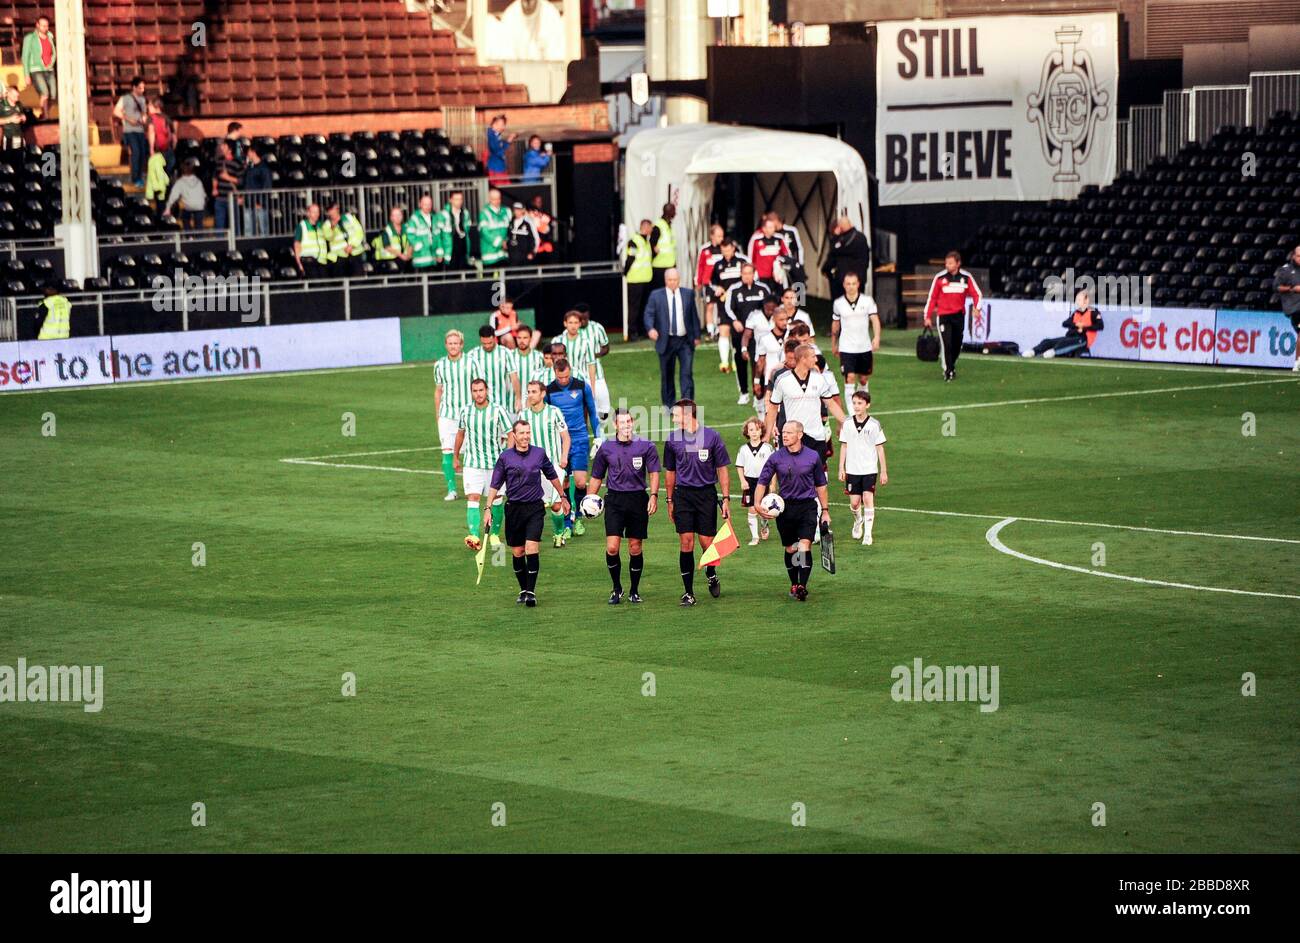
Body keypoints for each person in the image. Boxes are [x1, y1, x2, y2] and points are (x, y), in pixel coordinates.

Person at [482, 420, 569, 608]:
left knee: (531, 548)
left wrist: (562, 496)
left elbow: (552, 475)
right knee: (518, 551)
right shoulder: (505, 457)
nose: (525, 436)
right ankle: (523, 589)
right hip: (514, 509)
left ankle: (531, 592)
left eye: (528, 432)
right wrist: (487, 508)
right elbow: (495, 485)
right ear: (514, 435)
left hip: (534, 509)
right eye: (521, 433)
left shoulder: (539, 453)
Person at [662, 400, 731, 606]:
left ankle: (711, 572)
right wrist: (669, 499)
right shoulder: (673, 439)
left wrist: (726, 499)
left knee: (706, 543)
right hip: (683, 495)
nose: (673, 418)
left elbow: (722, 469)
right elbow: (670, 472)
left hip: (706, 495)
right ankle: (688, 592)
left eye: (675, 415)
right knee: (686, 542)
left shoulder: (712, 437)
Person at [753, 421, 832, 602]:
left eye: (788, 432)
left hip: (807, 508)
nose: (784, 435)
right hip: (785, 509)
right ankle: (794, 582)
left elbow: (821, 485)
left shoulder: (813, 456)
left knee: (804, 546)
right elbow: (762, 481)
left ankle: (802, 586)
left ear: (800, 434)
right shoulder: (776, 457)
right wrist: (757, 503)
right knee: (791, 549)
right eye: (783, 432)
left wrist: (825, 510)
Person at [588, 408, 660, 604]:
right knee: (612, 548)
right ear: (615, 425)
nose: (627, 425)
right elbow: (596, 477)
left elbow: (654, 473)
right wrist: (588, 500)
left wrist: (653, 495)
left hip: (638, 500)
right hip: (615, 501)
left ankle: (634, 590)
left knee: (635, 548)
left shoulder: (646, 446)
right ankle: (616, 588)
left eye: (629, 421)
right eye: (623, 422)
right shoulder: (606, 448)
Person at [765, 344, 848, 475]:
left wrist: (847, 423)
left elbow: (831, 403)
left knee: (818, 479)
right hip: (794, 437)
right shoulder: (783, 380)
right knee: (792, 477)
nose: (816, 360)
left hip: (817, 436)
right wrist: (767, 434)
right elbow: (773, 407)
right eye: (813, 356)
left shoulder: (819, 379)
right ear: (803, 359)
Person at [454, 378, 514, 551]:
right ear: (471, 392)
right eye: (475, 390)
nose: (478, 394)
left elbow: (510, 434)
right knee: (473, 497)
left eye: (481, 390)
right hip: (473, 463)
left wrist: (508, 456)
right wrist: (456, 456)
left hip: (495, 464)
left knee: (496, 499)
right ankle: (474, 535)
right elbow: (460, 434)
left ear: (486, 391)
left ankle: (494, 534)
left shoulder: (497, 411)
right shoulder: (466, 411)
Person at [545, 357, 599, 540]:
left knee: (581, 482)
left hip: (579, 439)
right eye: (560, 378)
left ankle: (580, 519)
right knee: (564, 484)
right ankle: (567, 523)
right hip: (558, 442)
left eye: (566, 376)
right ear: (555, 373)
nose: (563, 380)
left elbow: (592, 410)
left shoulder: (582, 386)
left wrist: (598, 436)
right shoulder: (549, 391)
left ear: (570, 371)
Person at [517, 379, 571, 548]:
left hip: (553, 466)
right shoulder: (523, 415)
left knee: (555, 505)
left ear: (542, 394)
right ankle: (530, 537)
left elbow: (565, 437)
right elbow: (517, 440)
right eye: (529, 391)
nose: (530, 395)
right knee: (531, 505)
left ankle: (558, 533)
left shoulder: (554, 412)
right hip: (531, 468)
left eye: (534, 391)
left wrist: (564, 457)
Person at [644, 268, 700, 410]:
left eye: (675, 280)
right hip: (666, 340)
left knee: (686, 373)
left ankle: (687, 404)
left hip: (685, 340)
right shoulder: (656, 296)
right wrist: (650, 328)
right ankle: (669, 405)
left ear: (679, 279)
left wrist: (697, 335)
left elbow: (693, 315)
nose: (673, 283)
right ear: (665, 280)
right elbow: (648, 314)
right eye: (670, 280)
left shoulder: (688, 294)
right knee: (667, 374)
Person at [924, 250, 983, 382]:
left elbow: (977, 294)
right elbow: (932, 298)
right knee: (947, 344)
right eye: (946, 263)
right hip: (944, 316)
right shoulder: (940, 278)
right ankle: (948, 370)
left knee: (957, 344)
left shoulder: (966, 278)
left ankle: (952, 365)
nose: (947, 265)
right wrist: (927, 316)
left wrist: (977, 308)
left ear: (958, 263)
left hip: (958, 316)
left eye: (950, 263)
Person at [838, 390, 888, 546]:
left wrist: (883, 471)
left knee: (867, 498)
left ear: (867, 405)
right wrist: (841, 467)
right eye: (854, 403)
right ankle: (858, 520)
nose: (856, 406)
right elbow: (844, 446)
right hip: (852, 470)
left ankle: (868, 534)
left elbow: (880, 448)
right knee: (854, 503)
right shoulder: (846, 423)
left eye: (860, 403)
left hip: (869, 469)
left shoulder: (874, 425)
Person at [434, 329, 474, 502]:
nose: (453, 346)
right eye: (450, 343)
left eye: (456, 343)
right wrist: (438, 414)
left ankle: (472, 487)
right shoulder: (439, 365)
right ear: (446, 345)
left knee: (470, 451)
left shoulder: (472, 363)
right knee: (447, 451)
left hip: (466, 415)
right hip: (447, 415)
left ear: (461, 345)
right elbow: (438, 391)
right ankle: (452, 489)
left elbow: (480, 387)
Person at [722, 263, 771, 405]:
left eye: (750, 273)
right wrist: (735, 321)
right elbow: (728, 308)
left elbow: (769, 308)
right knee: (740, 361)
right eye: (744, 273)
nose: (747, 276)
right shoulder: (734, 289)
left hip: (758, 335)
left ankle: (759, 394)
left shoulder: (763, 289)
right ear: (741, 274)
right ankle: (744, 392)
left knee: (758, 363)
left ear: (754, 273)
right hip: (739, 333)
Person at [831, 271, 881, 402]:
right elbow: (835, 324)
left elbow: (875, 319)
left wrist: (876, 337)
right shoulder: (838, 303)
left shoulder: (867, 300)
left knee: (863, 379)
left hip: (864, 346)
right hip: (847, 347)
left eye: (853, 283)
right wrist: (834, 343)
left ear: (858, 284)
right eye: (848, 284)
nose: (851, 286)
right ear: (844, 285)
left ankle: (861, 404)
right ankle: (852, 414)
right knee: (850, 377)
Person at [1023, 290, 1105, 359]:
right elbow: (1065, 323)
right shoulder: (1076, 313)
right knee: (1048, 341)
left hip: (1083, 339)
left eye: (1079, 300)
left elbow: (1100, 326)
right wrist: (1076, 325)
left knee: (1065, 343)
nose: (1077, 302)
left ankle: (1053, 352)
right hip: (1070, 336)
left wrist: (1084, 327)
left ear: (1086, 301)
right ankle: (1033, 351)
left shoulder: (1094, 312)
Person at [709, 238, 749, 374]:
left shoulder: (742, 261)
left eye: (728, 250)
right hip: (723, 302)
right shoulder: (718, 264)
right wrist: (718, 288)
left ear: (733, 248)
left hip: (738, 303)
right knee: (723, 330)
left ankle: (736, 360)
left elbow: (751, 277)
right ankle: (724, 363)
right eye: (723, 251)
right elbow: (712, 282)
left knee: (737, 333)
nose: (726, 253)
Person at [466, 323, 521, 412]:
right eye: (484, 343)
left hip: (501, 404)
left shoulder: (505, 353)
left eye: (490, 343)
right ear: (480, 339)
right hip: (479, 406)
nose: (487, 346)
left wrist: (518, 398)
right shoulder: (472, 355)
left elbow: (514, 377)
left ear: (495, 338)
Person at [736, 418, 773, 546]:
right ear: (747, 432)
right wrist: (742, 480)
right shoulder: (743, 449)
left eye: (757, 429)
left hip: (763, 481)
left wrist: (773, 484)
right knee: (752, 509)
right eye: (751, 430)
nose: (754, 432)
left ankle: (764, 524)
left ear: (761, 431)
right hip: (749, 482)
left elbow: (773, 467)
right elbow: (739, 466)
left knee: (763, 508)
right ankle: (755, 537)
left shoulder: (768, 448)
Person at [575, 306, 611, 424]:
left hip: (597, 374)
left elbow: (606, 347)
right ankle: (584, 431)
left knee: (604, 407)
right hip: (579, 375)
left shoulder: (597, 327)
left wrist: (594, 355)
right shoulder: (571, 332)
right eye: (581, 319)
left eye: (585, 318)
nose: (583, 321)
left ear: (589, 315)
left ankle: (601, 427)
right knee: (581, 406)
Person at [822, 215, 871, 301]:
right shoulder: (861, 237)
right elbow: (866, 259)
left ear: (840, 227)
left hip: (843, 280)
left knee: (842, 305)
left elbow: (833, 252)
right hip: (859, 279)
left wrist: (835, 237)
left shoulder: (842, 240)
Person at [113, 77, 150, 189]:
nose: (142, 90)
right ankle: (135, 178)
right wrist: (128, 119)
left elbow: (144, 113)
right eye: (140, 88)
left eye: (143, 88)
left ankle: (140, 176)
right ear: (134, 87)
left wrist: (143, 119)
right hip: (130, 130)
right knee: (136, 152)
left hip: (140, 129)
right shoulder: (125, 98)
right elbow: (116, 111)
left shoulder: (143, 100)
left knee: (143, 153)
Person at [623, 219, 654, 338]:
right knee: (634, 307)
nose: (651, 230)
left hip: (645, 279)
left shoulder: (645, 241)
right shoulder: (634, 241)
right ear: (645, 227)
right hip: (635, 279)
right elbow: (630, 258)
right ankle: (632, 331)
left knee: (643, 307)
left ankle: (642, 330)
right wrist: (626, 272)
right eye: (650, 228)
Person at [20, 16, 56, 118]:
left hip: (49, 68)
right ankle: (46, 118)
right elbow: (25, 56)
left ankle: (43, 113)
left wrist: (52, 62)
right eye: (43, 25)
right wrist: (26, 74)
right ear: (37, 25)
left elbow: (53, 52)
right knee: (44, 92)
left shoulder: (50, 36)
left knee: (53, 95)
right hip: (36, 70)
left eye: (47, 26)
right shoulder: (30, 38)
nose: (45, 28)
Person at [1272, 244, 1300, 372]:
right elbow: (1276, 287)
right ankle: (1298, 362)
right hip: (1295, 308)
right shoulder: (1286, 271)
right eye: (1299, 256)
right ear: (1294, 256)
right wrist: (1292, 289)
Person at [695, 224, 726, 339]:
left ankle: (719, 329)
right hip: (708, 283)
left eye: (722, 236)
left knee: (720, 306)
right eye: (718, 236)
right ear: (712, 236)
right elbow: (700, 266)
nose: (721, 239)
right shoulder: (705, 249)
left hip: (721, 283)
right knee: (710, 306)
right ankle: (710, 330)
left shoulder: (724, 248)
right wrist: (698, 281)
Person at [747, 215, 790, 295]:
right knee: (763, 296)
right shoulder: (756, 239)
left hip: (776, 275)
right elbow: (750, 257)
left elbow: (786, 255)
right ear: (764, 228)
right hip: (761, 275)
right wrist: (754, 272)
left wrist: (778, 265)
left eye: (773, 227)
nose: (771, 229)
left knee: (778, 296)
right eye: (769, 227)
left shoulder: (780, 238)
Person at [323, 202, 367, 277]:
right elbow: (328, 237)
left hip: (355, 253)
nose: (331, 212)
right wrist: (332, 227)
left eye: (333, 209)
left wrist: (352, 245)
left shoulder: (349, 217)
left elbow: (359, 231)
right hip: (339, 256)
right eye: (329, 210)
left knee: (358, 278)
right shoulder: (327, 224)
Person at [161, 159, 207, 231]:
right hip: (200, 206)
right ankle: (199, 237)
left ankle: (188, 234)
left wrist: (168, 208)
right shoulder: (198, 181)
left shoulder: (180, 182)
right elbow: (204, 195)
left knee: (185, 216)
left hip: (189, 207)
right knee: (199, 224)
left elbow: (173, 196)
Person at [241, 144, 272, 236]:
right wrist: (243, 197)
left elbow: (267, 186)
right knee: (248, 229)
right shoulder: (250, 168)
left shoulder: (264, 168)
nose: (247, 154)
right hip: (248, 203)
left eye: (249, 152)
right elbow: (246, 184)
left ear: (254, 152)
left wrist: (261, 202)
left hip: (259, 205)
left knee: (263, 229)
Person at [212, 139, 242, 233]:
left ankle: (236, 244)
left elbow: (240, 181)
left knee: (234, 224)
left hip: (232, 199)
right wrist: (214, 188)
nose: (222, 147)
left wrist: (228, 177)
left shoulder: (237, 163)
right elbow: (215, 177)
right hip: (220, 198)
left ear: (229, 149)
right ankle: (220, 245)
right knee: (219, 225)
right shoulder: (219, 162)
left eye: (224, 146)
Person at [436, 191, 471, 269]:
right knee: (452, 273)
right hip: (450, 249)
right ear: (450, 200)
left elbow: (467, 230)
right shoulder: (443, 214)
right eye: (456, 199)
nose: (459, 202)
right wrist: (440, 252)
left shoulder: (465, 213)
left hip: (463, 248)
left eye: (460, 199)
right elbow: (438, 235)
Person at [404, 194, 440, 271]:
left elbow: (437, 236)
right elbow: (409, 234)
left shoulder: (434, 218)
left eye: (429, 204)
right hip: (420, 258)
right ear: (420, 204)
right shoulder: (415, 218)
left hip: (433, 258)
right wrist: (417, 244)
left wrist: (439, 252)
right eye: (425, 204)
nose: (427, 206)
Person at [291, 203, 327, 276]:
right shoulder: (302, 226)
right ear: (308, 213)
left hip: (322, 262)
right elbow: (297, 246)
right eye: (314, 212)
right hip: (308, 262)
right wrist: (300, 265)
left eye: (318, 212)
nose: (316, 214)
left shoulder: (321, 225)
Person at [478, 188, 511, 267]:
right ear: (489, 199)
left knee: (504, 277)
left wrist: (507, 242)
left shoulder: (506, 211)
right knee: (491, 278)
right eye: (494, 199)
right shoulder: (484, 213)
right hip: (490, 254)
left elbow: (510, 229)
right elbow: (484, 232)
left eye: (498, 199)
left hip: (504, 254)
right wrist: (500, 243)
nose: (497, 201)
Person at [649, 203, 677, 292]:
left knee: (670, 291)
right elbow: (652, 243)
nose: (675, 213)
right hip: (660, 266)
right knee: (661, 292)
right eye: (673, 211)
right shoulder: (658, 226)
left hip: (669, 264)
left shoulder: (668, 226)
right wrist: (654, 251)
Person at [146, 98, 174, 176]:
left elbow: (151, 133)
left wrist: (151, 149)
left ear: (157, 106)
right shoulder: (167, 118)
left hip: (157, 149)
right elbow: (173, 136)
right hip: (168, 149)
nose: (148, 107)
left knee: (158, 173)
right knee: (168, 172)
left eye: (150, 105)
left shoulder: (151, 118)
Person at [485, 115, 515, 186]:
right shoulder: (492, 136)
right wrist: (503, 153)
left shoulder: (496, 135)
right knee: (501, 188)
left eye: (503, 125)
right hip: (496, 168)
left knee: (505, 187)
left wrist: (508, 141)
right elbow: (497, 150)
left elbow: (499, 147)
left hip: (499, 167)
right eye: (500, 124)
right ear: (493, 125)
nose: (502, 127)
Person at [0, 86, 26, 151]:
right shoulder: (1, 105)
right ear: (8, 94)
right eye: (14, 95)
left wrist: (23, 117)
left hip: (19, 136)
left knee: (19, 158)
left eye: (17, 95)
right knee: (8, 159)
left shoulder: (19, 104)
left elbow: (22, 116)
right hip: (7, 136)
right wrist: (10, 119)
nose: (17, 97)